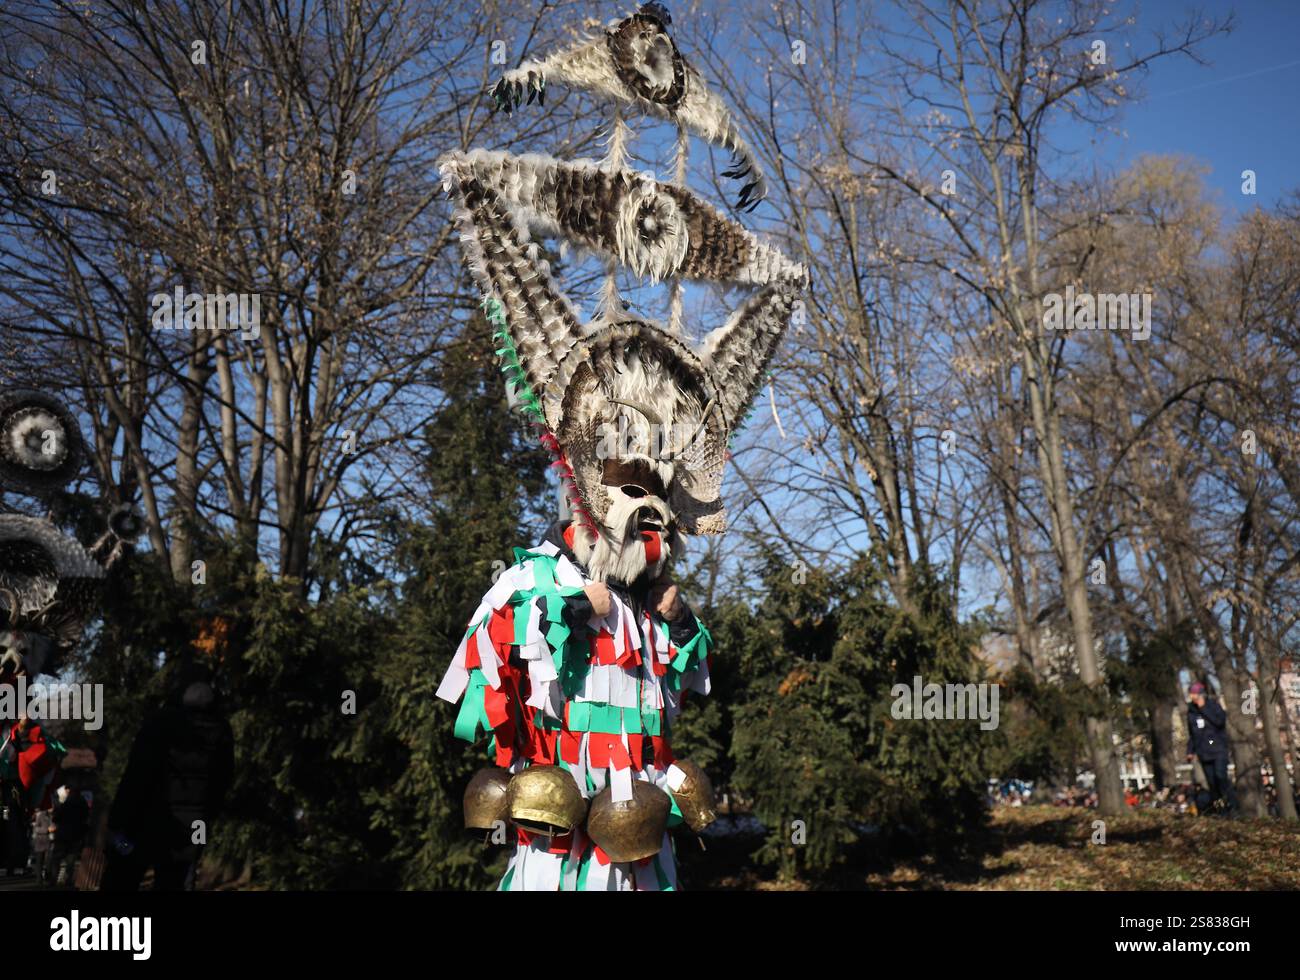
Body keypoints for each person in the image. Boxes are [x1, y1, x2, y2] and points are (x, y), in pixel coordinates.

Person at [100, 676, 234, 891]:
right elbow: (222, 782)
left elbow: (136, 776)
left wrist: (117, 822)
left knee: (121, 877)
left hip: (145, 823)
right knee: (174, 881)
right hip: (192, 828)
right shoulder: (222, 731)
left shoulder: (160, 723)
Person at [1186, 682, 1239, 816]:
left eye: (1194, 694)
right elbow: (1192, 734)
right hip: (1203, 753)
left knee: (1220, 777)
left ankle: (1233, 806)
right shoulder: (1191, 712)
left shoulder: (1213, 706)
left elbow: (1219, 722)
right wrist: (1190, 751)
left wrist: (1203, 708)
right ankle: (1221, 810)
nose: (1192, 697)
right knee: (1212, 783)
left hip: (1218, 749)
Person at [49, 784, 89, 886]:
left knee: (56, 858)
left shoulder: (66, 803)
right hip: (76, 835)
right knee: (71, 859)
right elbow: (86, 818)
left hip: (63, 834)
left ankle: (53, 879)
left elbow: (56, 818)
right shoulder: (83, 803)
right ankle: (68, 880)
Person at [30, 807, 53, 885]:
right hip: (40, 841)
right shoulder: (41, 815)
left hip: (50, 842)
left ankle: (47, 878)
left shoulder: (54, 815)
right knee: (39, 861)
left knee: (49, 861)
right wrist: (46, 830)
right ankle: (39, 879)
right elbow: (35, 828)